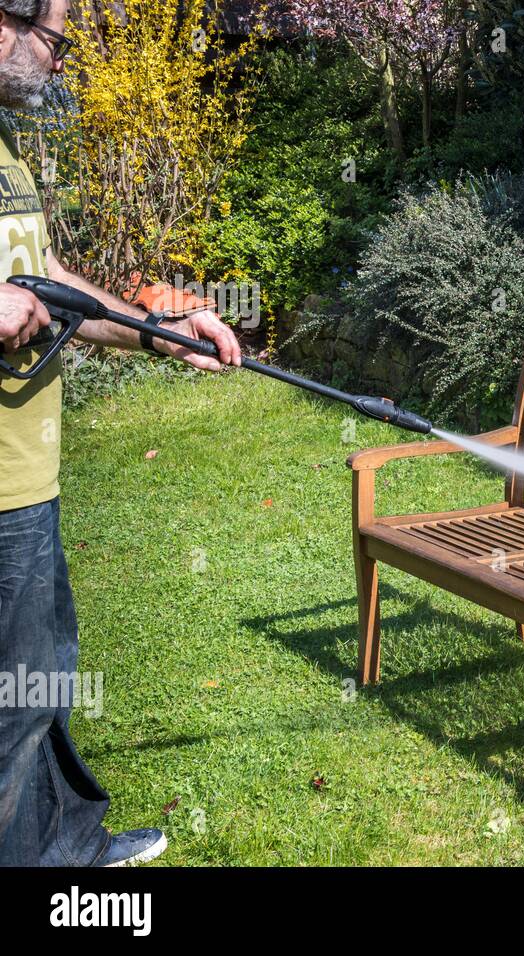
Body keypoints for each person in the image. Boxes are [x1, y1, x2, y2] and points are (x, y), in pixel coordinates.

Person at [0, 0, 241, 866]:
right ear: (4, 23)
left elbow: (52, 281)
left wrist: (161, 330)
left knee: (41, 682)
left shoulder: (6, 151)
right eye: (56, 42)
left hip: (28, 478)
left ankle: (63, 849)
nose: (61, 63)